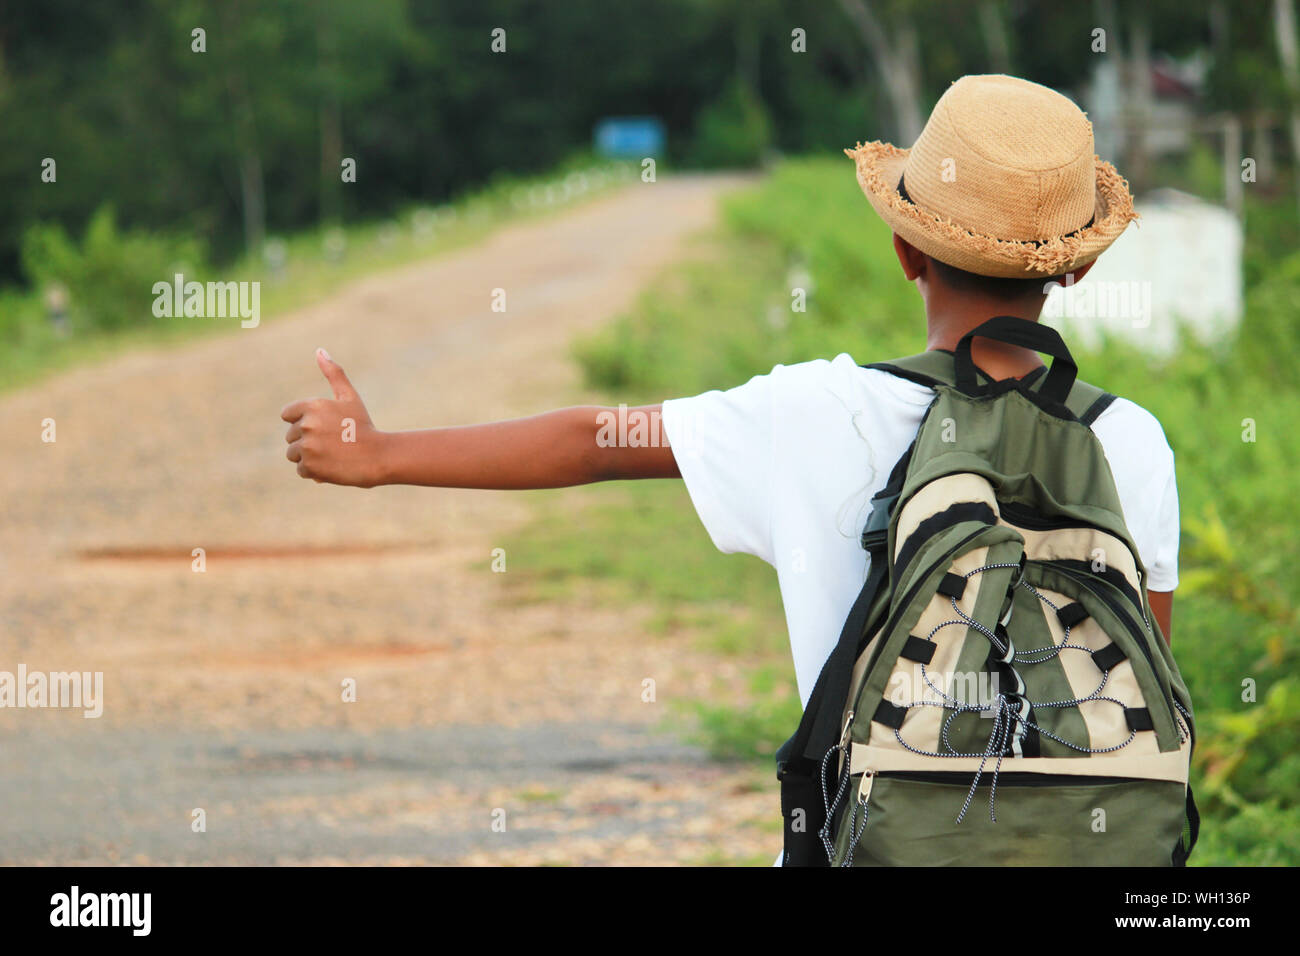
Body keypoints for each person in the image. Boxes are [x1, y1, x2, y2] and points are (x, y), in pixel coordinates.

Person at [280, 75, 1179, 856]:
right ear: (1074, 272)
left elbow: (595, 439)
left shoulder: (812, 414)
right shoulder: (1132, 441)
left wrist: (381, 454)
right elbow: (1147, 689)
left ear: (904, 250)